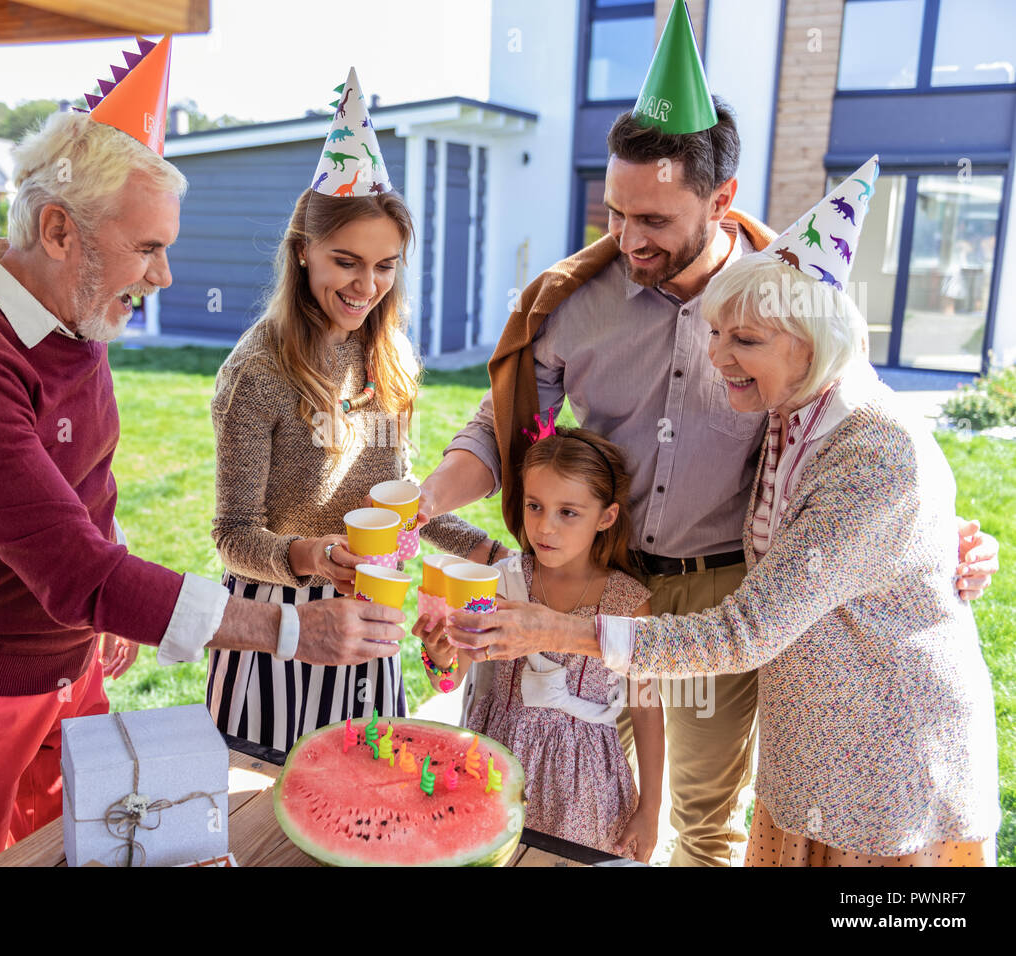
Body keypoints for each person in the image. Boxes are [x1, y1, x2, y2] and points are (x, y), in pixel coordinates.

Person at [415, 11, 998, 866]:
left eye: (653, 219)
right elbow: (504, 428)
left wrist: (935, 538)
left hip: (721, 590)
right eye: (614, 212)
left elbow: (856, 451)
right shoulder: (571, 300)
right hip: (597, 570)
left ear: (722, 201)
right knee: (558, 767)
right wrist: (427, 501)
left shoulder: (780, 311)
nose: (627, 239)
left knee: (699, 808)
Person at [0, 44, 403, 867]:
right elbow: (70, 568)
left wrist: (111, 581)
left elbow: (73, 493)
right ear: (59, 230)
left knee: (77, 855)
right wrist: (293, 630)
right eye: (148, 247)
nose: (163, 274)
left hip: (69, 670)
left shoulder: (74, 312)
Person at [209, 68, 498, 752]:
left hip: (372, 614)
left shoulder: (389, 358)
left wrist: (487, 552)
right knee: (267, 812)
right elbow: (232, 536)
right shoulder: (255, 375)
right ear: (303, 251)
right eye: (346, 261)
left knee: (365, 793)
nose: (366, 286)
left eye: (386, 266)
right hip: (275, 630)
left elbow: (395, 508)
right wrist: (318, 556)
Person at [415, 425, 663, 861]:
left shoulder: (628, 602)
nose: (545, 527)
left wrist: (650, 809)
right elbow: (451, 678)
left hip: (585, 784)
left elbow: (646, 709)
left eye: (568, 512)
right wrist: (439, 658)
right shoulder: (503, 580)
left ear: (606, 517)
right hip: (491, 760)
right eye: (535, 506)